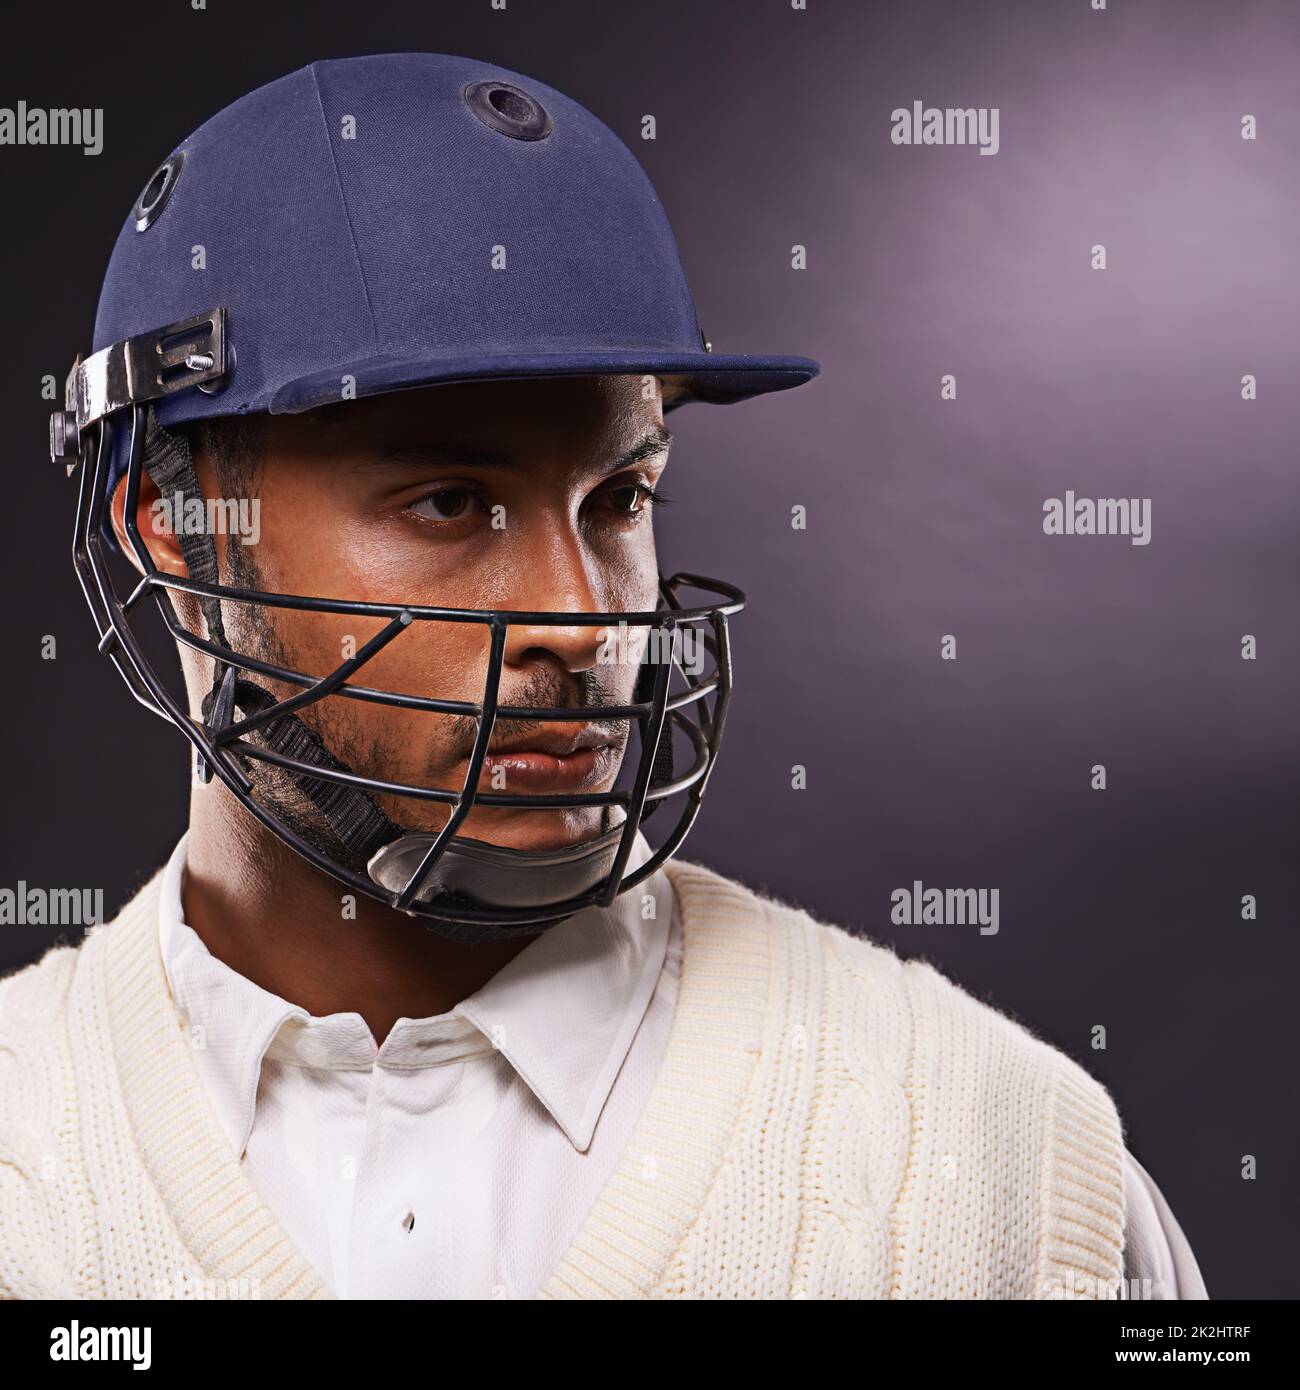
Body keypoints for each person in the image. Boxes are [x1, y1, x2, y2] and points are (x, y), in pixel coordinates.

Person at [1, 52, 1206, 1300]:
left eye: (620, 498)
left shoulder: (1013, 1172)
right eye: (450, 502)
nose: (583, 623)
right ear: (175, 525)